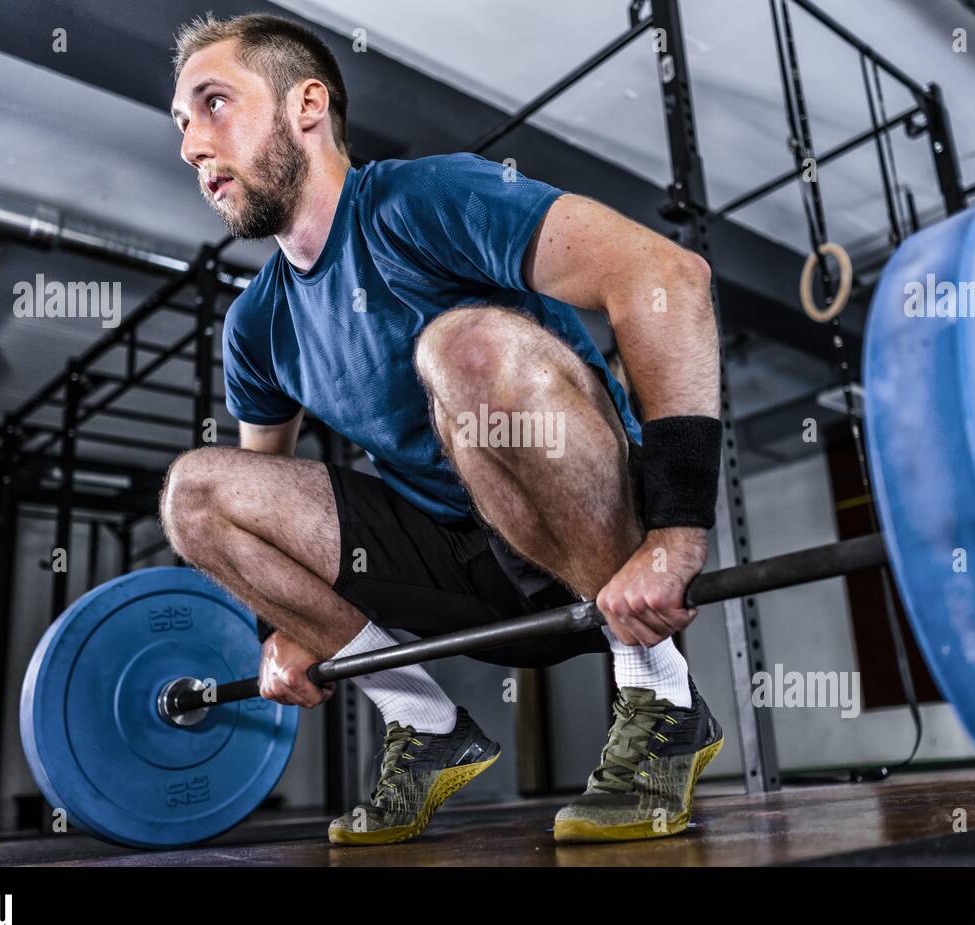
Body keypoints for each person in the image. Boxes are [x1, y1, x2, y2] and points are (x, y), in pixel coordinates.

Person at [163, 12, 724, 845]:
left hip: (591, 543)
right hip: (449, 571)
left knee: (460, 347)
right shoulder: (257, 324)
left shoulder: (415, 200)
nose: (190, 147)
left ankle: (661, 693)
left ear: (307, 104)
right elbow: (264, 503)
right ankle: (423, 722)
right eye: (179, 123)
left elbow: (666, 275)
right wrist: (284, 627)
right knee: (195, 494)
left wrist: (676, 536)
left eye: (212, 103)